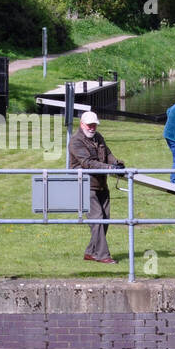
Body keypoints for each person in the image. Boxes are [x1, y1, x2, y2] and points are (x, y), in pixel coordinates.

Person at [67, 110, 126, 264]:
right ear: (82, 124)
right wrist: (110, 168)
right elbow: (88, 163)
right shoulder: (75, 141)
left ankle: (91, 252)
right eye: (89, 125)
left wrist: (117, 163)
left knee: (105, 219)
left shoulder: (98, 137)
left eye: (94, 125)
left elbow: (108, 154)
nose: (92, 128)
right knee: (97, 219)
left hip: (101, 184)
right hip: (84, 185)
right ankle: (102, 255)